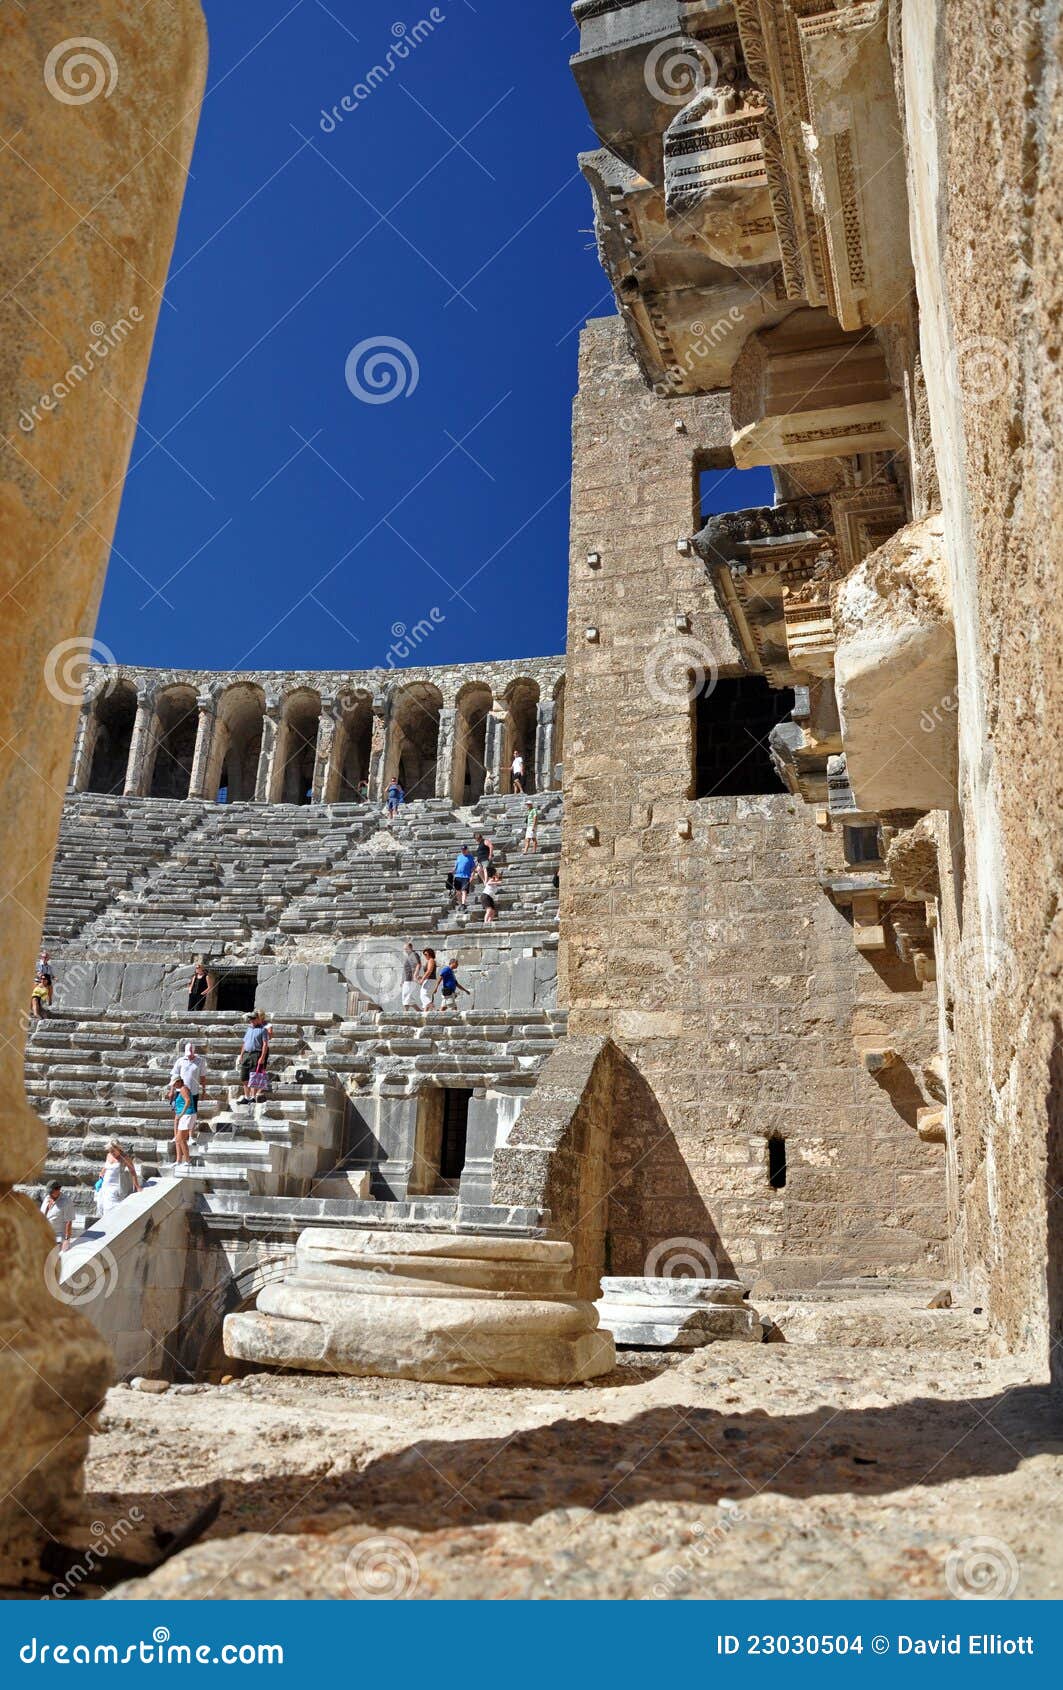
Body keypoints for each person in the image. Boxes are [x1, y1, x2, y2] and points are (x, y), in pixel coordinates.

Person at [167, 1041, 207, 1168]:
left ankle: (187, 1161)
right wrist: (172, 1091)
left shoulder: (184, 1089)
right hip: (185, 1114)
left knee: (180, 1139)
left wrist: (181, 1114)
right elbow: (174, 1074)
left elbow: (188, 1102)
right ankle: (179, 1160)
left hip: (188, 1114)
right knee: (179, 1139)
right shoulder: (180, 1062)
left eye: (173, 1085)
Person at [96, 1141, 140, 1218]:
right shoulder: (109, 1155)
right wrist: (101, 1175)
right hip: (105, 1184)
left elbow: (132, 1171)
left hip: (115, 1186)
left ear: (118, 1148)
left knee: (110, 1207)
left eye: (113, 1151)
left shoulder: (125, 1158)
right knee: (101, 1204)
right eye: (110, 1151)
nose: (111, 1153)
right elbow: (106, 1167)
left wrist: (137, 1186)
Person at [238, 1011, 270, 1104]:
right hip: (246, 1054)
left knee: (253, 1076)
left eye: (253, 1019)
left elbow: (265, 1044)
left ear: (257, 1019)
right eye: (250, 1019)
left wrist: (262, 1057)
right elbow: (244, 1043)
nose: (251, 1020)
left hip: (256, 1054)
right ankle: (246, 1096)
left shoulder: (263, 1030)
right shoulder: (248, 1029)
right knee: (244, 1077)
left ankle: (252, 1096)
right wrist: (241, 1055)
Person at [40, 1180, 74, 1250]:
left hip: (58, 1237)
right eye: (49, 1193)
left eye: (51, 1192)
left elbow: (69, 1222)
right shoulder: (47, 1198)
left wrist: (67, 1239)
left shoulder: (66, 1202)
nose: (50, 1194)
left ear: (58, 1189)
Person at [452, 845, 476, 909]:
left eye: (464, 850)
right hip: (457, 876)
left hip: (466, 876)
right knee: (458, 892)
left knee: (464, 890)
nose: (463, 851)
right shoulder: (459, 857)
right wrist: (452, 872)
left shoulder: (470, 858)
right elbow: (456, 866)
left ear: (467, 850)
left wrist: (472, 876)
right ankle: (460, 904)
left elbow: (473, 868)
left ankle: (463, 904)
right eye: (462, 850)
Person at [401, 941, 421, 1010]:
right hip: (407, 979)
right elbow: (405, 970)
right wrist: (402, 980)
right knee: (409, 997)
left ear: (411, 948)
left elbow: (418, 964)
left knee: (406, 995)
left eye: (406, 948)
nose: (405, 950)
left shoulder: (414, 954)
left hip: (411, 979)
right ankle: (419, 1011)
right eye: (404, 949)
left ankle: (405, 1013)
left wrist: (415, 975)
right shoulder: (409, 956)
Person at [419, 947, 438, 1013]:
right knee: (427, 997)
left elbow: (429, 971)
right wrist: (422, 977)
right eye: (424, 954)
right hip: (430, 981)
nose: (424, 955)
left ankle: (434, 1010)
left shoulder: (431, 960)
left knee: (423, 995)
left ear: (430, 954)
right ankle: (425, 1015)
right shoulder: (430, 961)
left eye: (426, 954)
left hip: (430, 981)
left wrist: (422, 979)